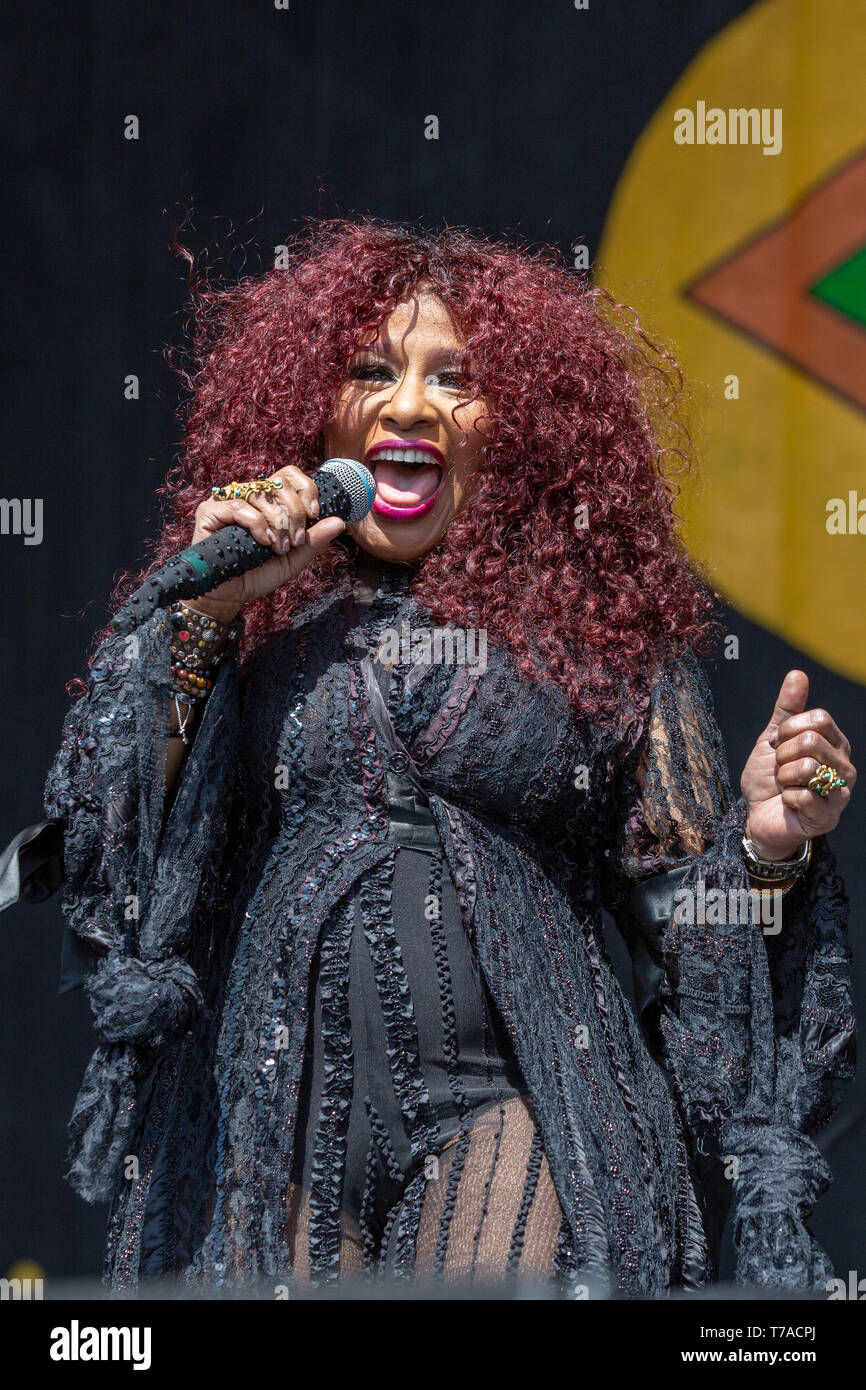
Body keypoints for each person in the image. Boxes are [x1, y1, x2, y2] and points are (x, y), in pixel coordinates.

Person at [40, 219, 855, 1296]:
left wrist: (763, 845)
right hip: (272, 1127)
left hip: (518, 1115)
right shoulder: (251, 619)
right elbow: (123, 860)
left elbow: (683, 932)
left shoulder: (606, 647)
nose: (409, 404)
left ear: (513, 427)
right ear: (319, 411)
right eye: (373, 371)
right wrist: (199, 622)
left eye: (453, 381)